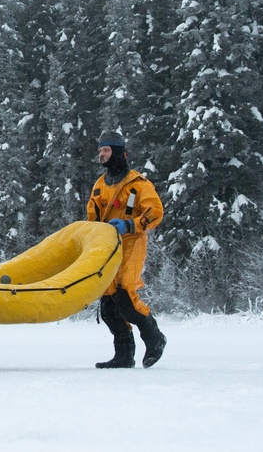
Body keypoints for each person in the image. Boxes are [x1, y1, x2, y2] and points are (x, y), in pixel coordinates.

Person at [88, 130, 167, 369]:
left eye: (106, 150)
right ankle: (124, 355)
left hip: (132, 243)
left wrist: (131, 224)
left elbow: (155, 211)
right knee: (108, 305)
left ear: (119, 152)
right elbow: (93, 218)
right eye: (100, 150)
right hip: (108, 247)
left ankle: (155, 338)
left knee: (125, 297)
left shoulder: (137, 184)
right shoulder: (100, 186)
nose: (101, 154)